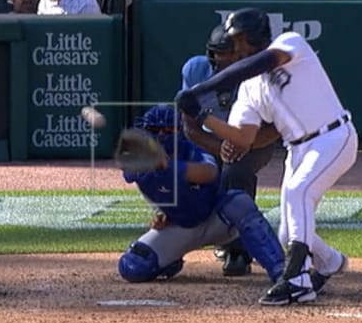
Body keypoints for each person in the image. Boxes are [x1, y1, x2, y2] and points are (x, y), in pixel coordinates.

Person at [175, 7, 356, 305]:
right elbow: (242, 137)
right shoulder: (248, 89)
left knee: (299, 193)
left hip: (334, 135)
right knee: (287, 233)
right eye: (235, 41)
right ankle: (330, 262)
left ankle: (297, 281)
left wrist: (205, 88)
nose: (238, 47)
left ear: (258, 37)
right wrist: (201, 114)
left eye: (243, 39)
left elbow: (263, 62)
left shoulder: (290, 44)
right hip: (297, 148)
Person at [114, 104, 284, 291]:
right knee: (132, 266)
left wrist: (169, 167)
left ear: (178, 131)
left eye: (168, 130)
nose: (162, 135)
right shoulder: (141, 162)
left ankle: (281, 271)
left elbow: (208, 173)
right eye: (155, 130)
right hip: (180, 227)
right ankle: (170, 261)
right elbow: (137, 175)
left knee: (239, 202)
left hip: (216, 221)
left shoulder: (192, 150)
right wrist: (160, 211)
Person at [180, 23, 283, 278]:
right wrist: (221, 147)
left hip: (255, 141)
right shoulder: (195, 70)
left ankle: (238, 250)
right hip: (211, 140)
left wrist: (241, 144)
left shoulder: (262, 74)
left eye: (232, 55)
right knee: (178, 168)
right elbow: (190, 127)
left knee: (235, 172)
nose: (225, 60)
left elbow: (276, 128)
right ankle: (169, 239)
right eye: (219, 54)